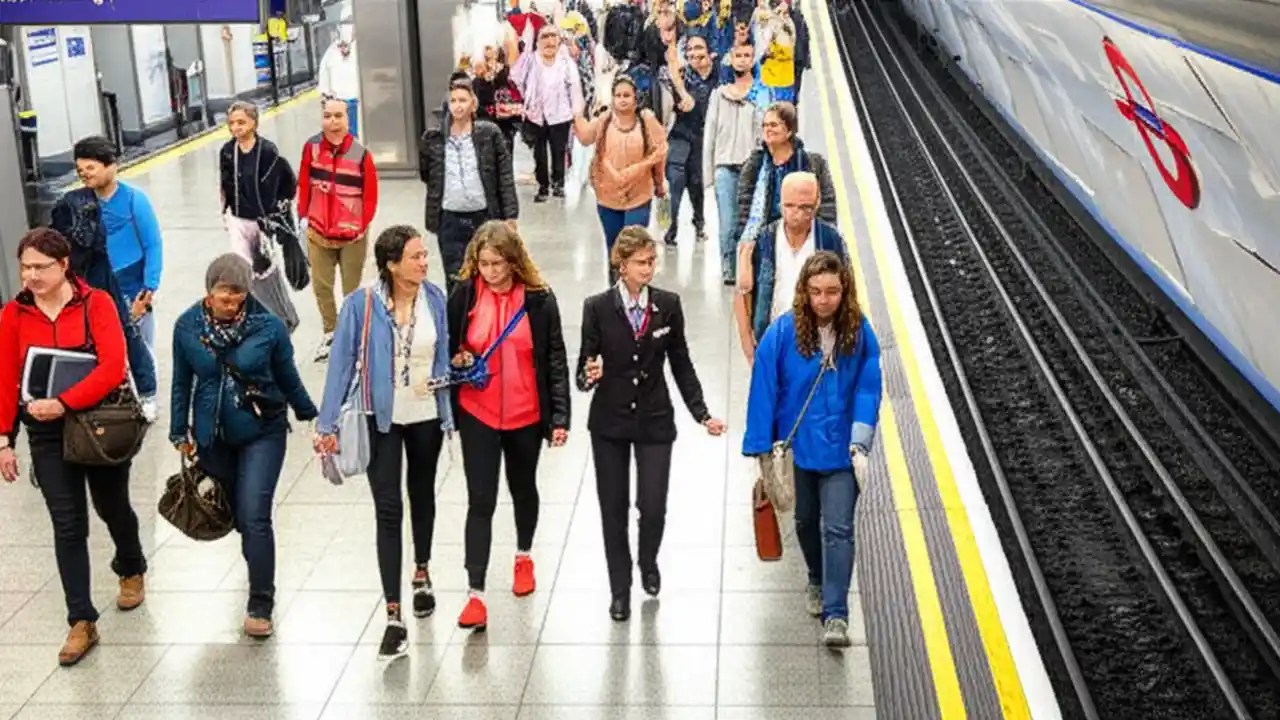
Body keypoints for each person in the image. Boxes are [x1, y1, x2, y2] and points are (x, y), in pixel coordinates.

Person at [0, 228, 146, 666]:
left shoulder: (96, 303)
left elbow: (112, 367)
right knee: (67, 525)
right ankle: (80, 620)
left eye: (39, 267)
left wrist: (62, 402)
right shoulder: (12, 315)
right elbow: (6, 380)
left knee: (112, 506)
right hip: (44, 433)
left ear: (63, 265)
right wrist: (5, 439)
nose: (30, 276)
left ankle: (131, 565)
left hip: (96, 423)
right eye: (24, 267)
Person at [315, 226, 454, 661]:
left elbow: (444, 353)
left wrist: (450, 411)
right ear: (392, 264)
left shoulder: (435, 299)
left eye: (425, 254)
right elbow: (340, 364)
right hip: (381, 418)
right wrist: (327, 421)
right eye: (415, 256)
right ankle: (393, 614)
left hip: (426, 413)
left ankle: (422, 572)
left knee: (422, 495)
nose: (424, 262)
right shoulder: (362, 305)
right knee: (388, 508)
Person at [576, 227, 725, 621]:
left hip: (655, 420)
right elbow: (582, 369)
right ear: (621, 266)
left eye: (652, 261)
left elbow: (680, 362)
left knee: (653, 505)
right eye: (642, 262)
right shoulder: (596, 308)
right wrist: (589, 375)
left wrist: (702, 412)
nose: (649, 269)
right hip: (609, 423)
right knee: (613, 509)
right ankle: (620, 588)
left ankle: (648, 559)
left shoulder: (669, 306)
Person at [170, 254, 318, 639]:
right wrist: (177, 431)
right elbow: (182, 382)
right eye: (224, 294)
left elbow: (288, 376)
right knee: (238, 516)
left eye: (238, 294)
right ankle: (257, 563)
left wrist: (312, 416)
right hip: (211, 436)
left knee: (255, 514)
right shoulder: (187, 326)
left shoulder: (268, 327)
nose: (231, 301)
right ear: (209, 291)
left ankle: (260, 600)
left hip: (261, 430)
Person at [742, 250, 882, 648]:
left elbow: (868, 385)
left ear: (845, 291)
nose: (824, 300)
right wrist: (761, 451)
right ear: (804, 290)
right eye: (816, 291)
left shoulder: (859, 332)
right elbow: (764, 390)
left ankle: (836, 615)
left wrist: (861, 439)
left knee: (838, 528)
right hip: (797, 450)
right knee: (805, 523)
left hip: (841, 451)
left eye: (833, 292)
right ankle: (817, 578)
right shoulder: (782, 333)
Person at [447, 221, 570, 631]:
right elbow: (452, 347)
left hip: (524, 413)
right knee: (480, 499)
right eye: (483, 263)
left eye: (498, 263)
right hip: (477, 410)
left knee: (522, 488)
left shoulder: (538, 300)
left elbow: (554, 357)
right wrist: (460, 360)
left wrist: (560, 418)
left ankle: (523, 554)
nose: (490, 271)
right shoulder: (465, 295)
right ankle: (475, 593)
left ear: (514, 262)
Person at [60, 136, 163, 420]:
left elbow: (153, 244)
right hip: (98, 279)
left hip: (132, 281)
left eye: (90, 168)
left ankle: (148, 394)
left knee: (138, 342)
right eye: (80, 171)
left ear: (111, 166)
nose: (85, 175)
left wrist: (149, 286)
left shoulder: (133, 199)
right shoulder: (79, 203)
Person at [297, 96, 380, 361]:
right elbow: (303, 184)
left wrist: (361, 225)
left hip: (351, 236)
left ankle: (353, 336)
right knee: (322, 286)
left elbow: (370, 195)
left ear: (348, 119)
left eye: (338, 116)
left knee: (351, 289)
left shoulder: (360, 154)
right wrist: (303, 217)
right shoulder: (311, 149)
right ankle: (331, 332)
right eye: (328, 116)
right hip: (318, 232)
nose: (332, 122)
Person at [419, 78, 519, 294]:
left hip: (484, 216)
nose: (458, 105)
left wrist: (510, 215)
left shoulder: (490, 134)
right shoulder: (433, 138)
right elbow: (427, 174)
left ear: (473, 103)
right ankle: (458, 325)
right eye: (453, 100)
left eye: (463, 100)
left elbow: (504, 176)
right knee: (456, 277)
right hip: (449, 219)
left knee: (490, 274)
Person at [736, 172, 847, 363]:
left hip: (819, 346)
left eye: (805, 207)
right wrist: (749, 350)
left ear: (817, 203)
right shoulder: (763, 241)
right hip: (772, 346)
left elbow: (846, 293)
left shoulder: (830, 240)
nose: (796, 214)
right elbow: (742, 294)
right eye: (789, 205)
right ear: (780, 202)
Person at [571, 76, 668, 273]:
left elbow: (660, 151)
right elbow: (585, 138)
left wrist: (658, 182)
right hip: (608, 196)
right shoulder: (604, 120)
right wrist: (575, 113)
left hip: (639, 195)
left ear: (635, 98)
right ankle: (615, 296)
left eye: (627, 95)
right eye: (618, 95)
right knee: (613, 249)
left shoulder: (646, 119)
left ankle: (635, 293)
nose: (622, 100)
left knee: (633, 248)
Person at [219, 101, 300, 331]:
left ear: (254, 123)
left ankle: (285, 314)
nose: (236, 128)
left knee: (266, 270)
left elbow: (285, 183)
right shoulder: (227, 152)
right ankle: (256, 319)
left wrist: (277, 212)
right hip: (237, 220)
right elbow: (224, 184)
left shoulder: (267, 151)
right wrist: (225, 212)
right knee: (245, 271)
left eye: (241, 122)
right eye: (232, 123)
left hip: (263, 222)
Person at [734, 101, 836, 257]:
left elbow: (827, 206)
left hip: (805, 243)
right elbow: (744, 208)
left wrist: (824, 241)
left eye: (774, 125)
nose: (768, 129)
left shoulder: (813, 164)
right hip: (764, 245)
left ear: (789, 130)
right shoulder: (754, 165)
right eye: (765, 125)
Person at [703, 41, 760, 285]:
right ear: (730, 58)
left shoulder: (760, 94)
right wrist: (709, 173)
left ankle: (746, 266)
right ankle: (728, 268)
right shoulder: (718, 95)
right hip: (724, 165)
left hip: (751, 167)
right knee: (727, 223)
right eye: (738, 55)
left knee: (747, 223)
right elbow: (710, 133)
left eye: (747, 55)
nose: (743, 60)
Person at [511, 24, 583, 202]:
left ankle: (558, 184)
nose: (549, 41)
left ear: (559, 41)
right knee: (539, 153)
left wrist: (577, 113)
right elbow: (516, 77)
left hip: (561, 115)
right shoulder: (531, 60)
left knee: (559, 150)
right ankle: (543, 186)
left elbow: (574, 88)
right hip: (537, 116)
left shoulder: (566, 63)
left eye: (553, 37)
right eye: (545, 37)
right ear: (538, 41)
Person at [662, 34, 718, 247]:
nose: (695, 54)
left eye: (699, 48)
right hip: (678, 140)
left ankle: (700, 223)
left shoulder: (719, 77)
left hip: (702, 143)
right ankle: (667, 227)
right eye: (690, 50)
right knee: (672, 186)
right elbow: (671, 71)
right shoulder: (682, 77)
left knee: (697, 186)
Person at [318, 11, 361, 137]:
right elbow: (324, 72)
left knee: (352, 132)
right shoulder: (331, 52)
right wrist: (325, 93)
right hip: (338, 100)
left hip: (355, 100)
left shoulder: (359, 49)